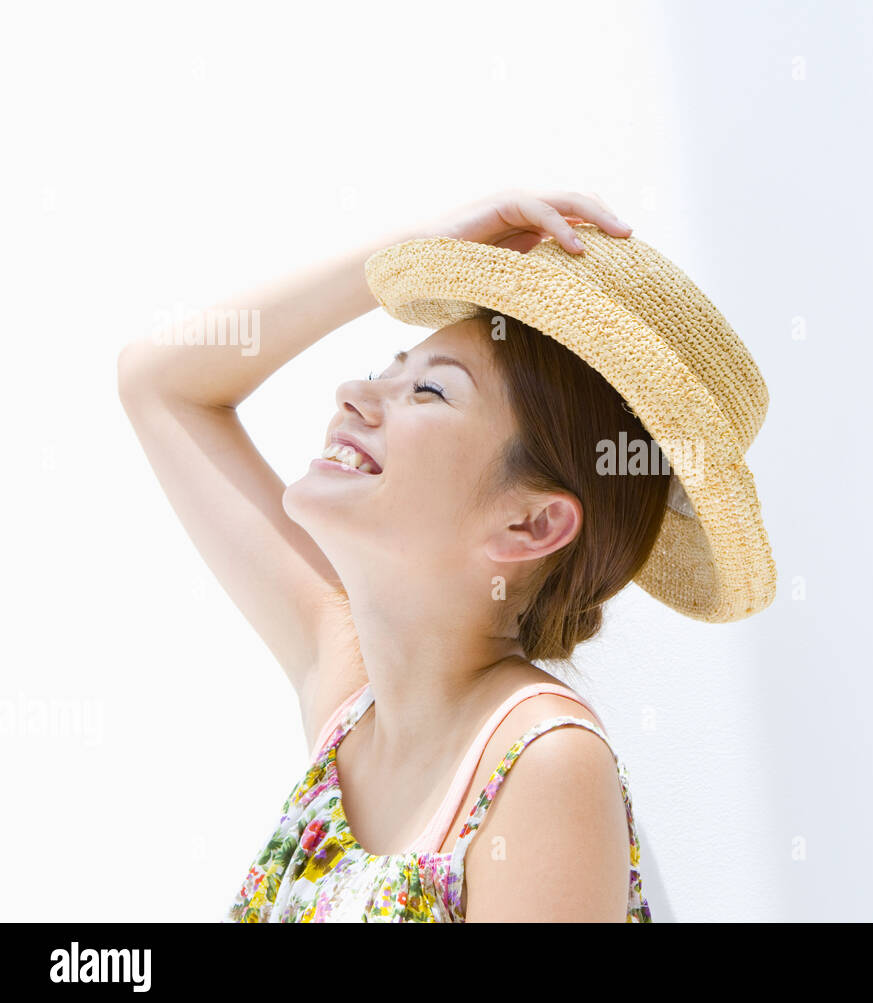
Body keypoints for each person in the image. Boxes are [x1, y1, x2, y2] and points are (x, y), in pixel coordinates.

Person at [117, 189, 776, 921]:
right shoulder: (355, 708)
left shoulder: (542, 763)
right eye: (388, 367)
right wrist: (411, 250)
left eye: (428, 390)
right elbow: (160, 385)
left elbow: (162, 390)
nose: (356, 392)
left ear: (530, 524)